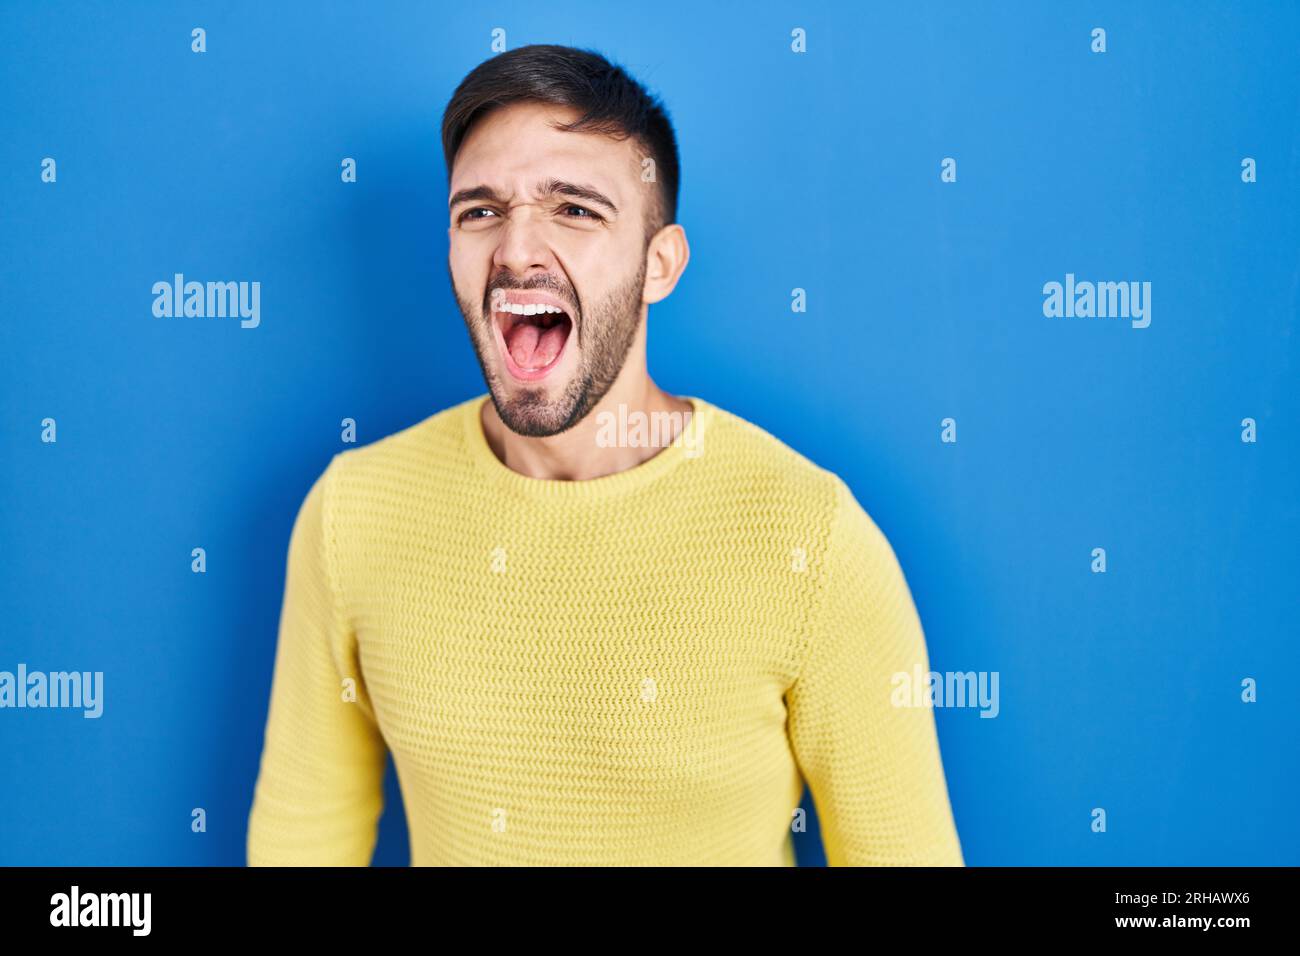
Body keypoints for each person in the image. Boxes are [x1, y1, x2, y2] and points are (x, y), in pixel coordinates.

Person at [246, 43, 964, 866]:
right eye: (479, 211)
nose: (516, 249)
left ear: (659, 265)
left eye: (575, 210)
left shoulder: (814, 540)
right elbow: (302, 841)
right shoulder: (352, 513)